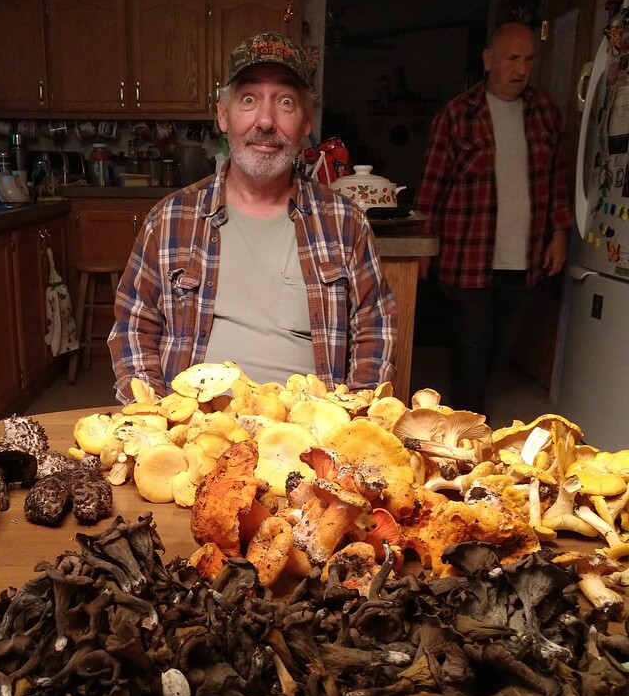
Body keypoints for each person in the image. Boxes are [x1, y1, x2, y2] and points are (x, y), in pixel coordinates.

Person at [108, 31, 397, 404]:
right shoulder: (168, 220)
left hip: (311, 428)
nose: (265, 120)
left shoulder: (347, 223)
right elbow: (133, 328)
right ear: (223, 114)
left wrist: (353, 421)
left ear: (306, 121)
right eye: (248, 99)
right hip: (194, 427)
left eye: (286, 102)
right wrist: (155, 416)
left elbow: (375, 332)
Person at [412, 21, 571, 415]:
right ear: (488, 59)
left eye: (528, 60)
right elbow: (431, 184)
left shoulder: (545, 112)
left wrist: (559, 233)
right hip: (466, 256)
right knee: (473, 342)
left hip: (525, 257)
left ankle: (469, 399)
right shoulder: (457, 114)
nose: (521, 69)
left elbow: (557, 178)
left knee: (503, 345)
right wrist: (423, 245)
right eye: (512, 58)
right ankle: (469, 419)